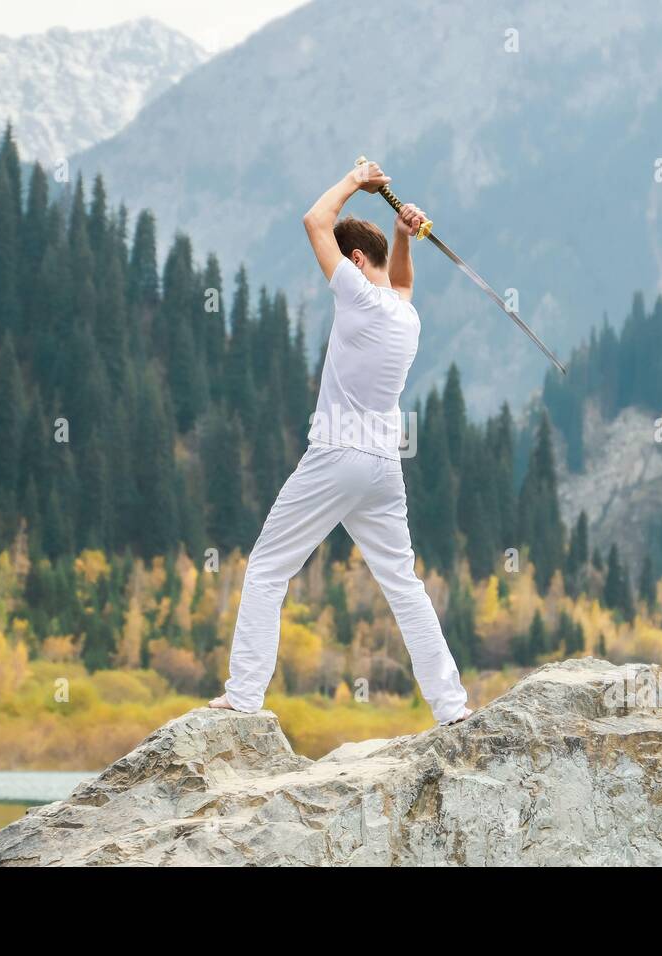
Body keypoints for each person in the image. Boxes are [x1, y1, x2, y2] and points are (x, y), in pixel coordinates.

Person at [209, 161, 472, 725]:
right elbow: (401, 282)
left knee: (267, 569)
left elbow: (313, 221)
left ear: (355, 263)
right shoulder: (406, 316)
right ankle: (452, 708)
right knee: (405, 585)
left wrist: (358, 180)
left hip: (338, 455)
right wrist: (404, 236)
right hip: (384, 463)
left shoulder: (358, 299)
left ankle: (244, 698)